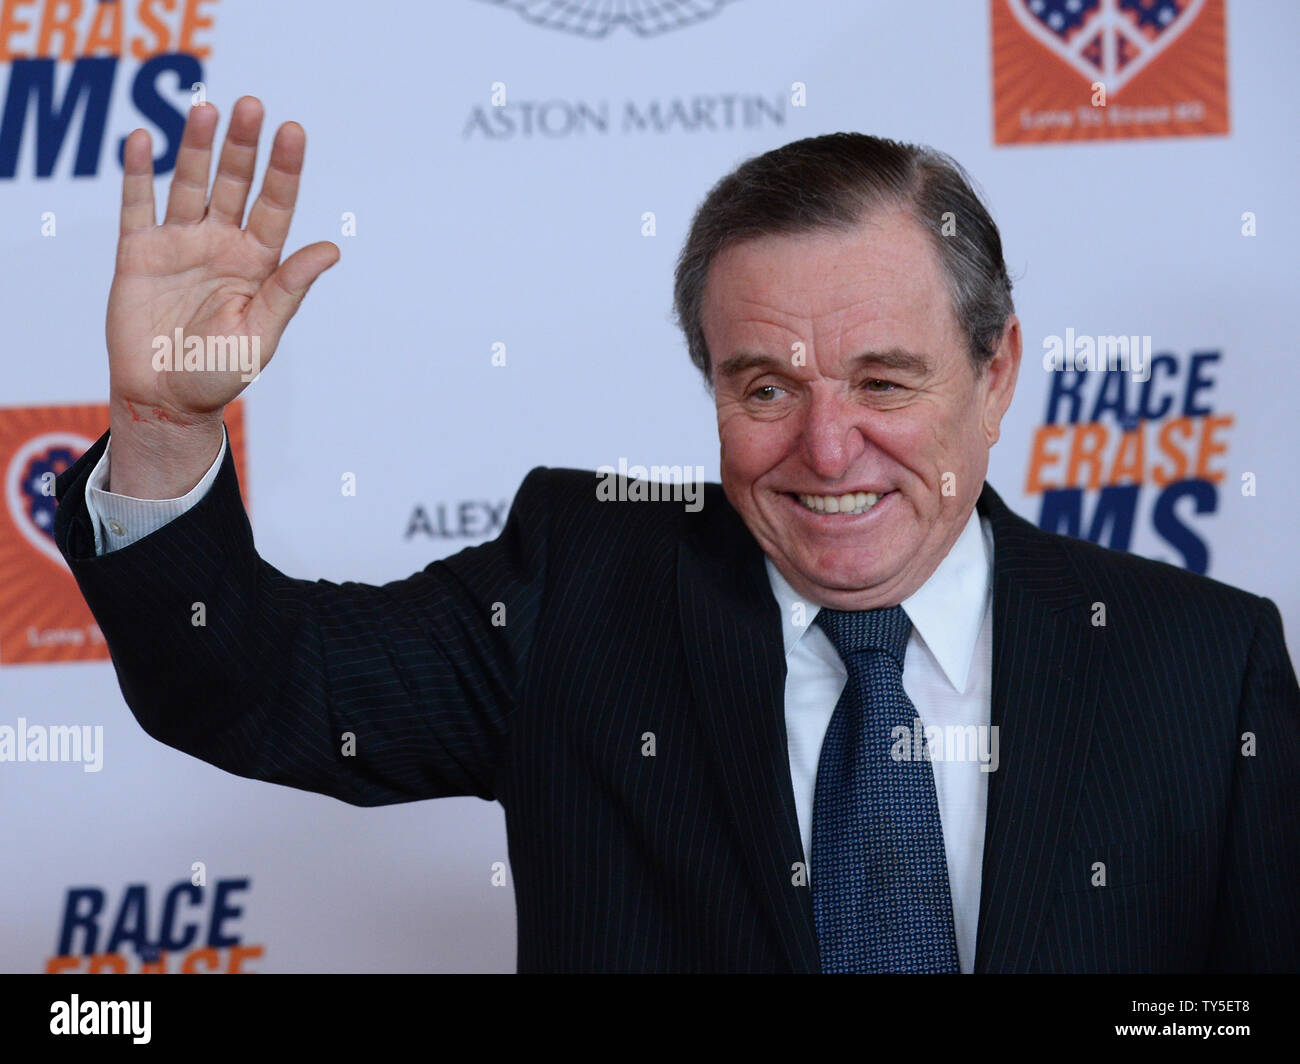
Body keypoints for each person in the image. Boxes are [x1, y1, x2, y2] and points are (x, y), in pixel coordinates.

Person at [54, 97, 1300, 974]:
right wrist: (163, 422)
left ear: (995, 371)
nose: (825, 449)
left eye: (882, 382)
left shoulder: (1201, 662)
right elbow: (249, 683)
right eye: (765, 388)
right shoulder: (578, 586)